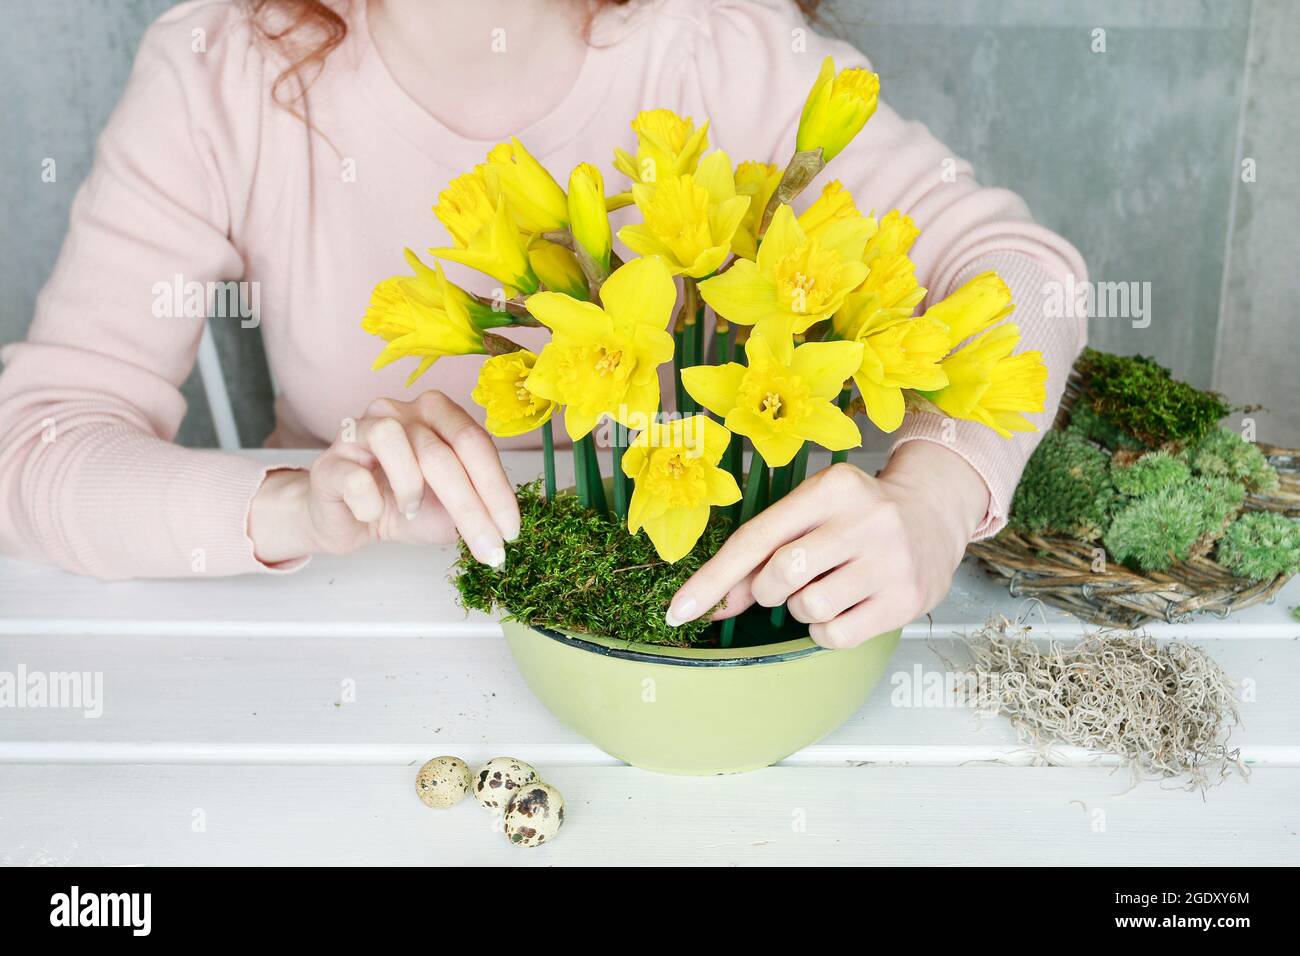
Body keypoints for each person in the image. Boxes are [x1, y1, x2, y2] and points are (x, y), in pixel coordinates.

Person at [0, 0, 1087, 647]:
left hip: (704, 648)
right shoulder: (225, 68)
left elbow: (1026, 272)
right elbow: (38, 442)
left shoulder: (712, 45)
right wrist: (305, 507)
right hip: (345, 666)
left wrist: (937, 496)